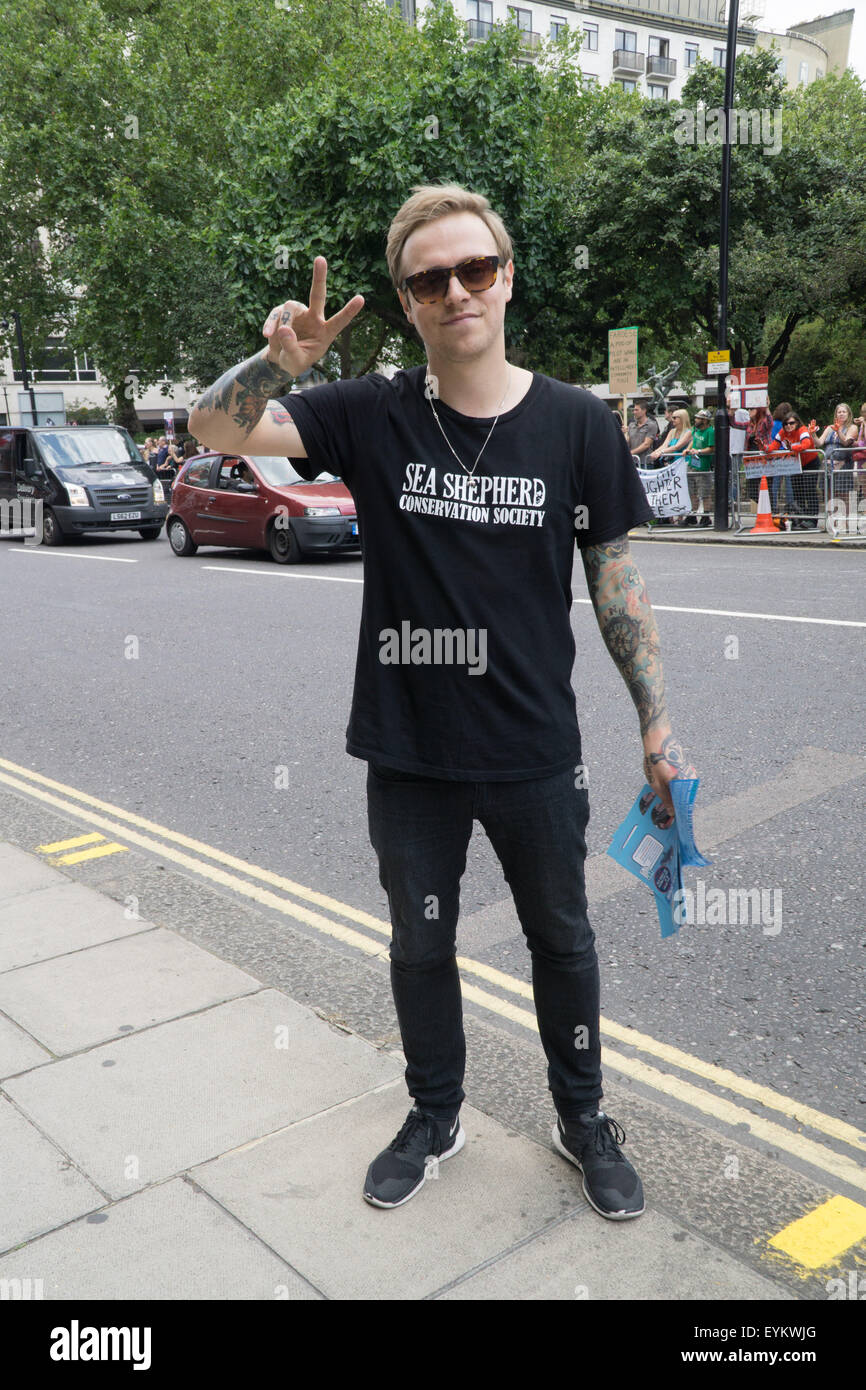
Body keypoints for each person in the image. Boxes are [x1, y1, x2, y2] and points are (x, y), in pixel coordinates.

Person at [188, 182, 698, 1221]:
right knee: (420, 942)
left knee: (563, 941)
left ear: (505, 279)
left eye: (473, 269)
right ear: (408, 300)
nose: (455, 290)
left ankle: (581, 1114)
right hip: (409, 749)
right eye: (430, 278)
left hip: (532, 750)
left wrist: (655, 723)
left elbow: (615, 584)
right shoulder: (368, 412)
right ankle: (435, 1112)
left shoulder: (571, 422)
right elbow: (211, 424)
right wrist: (275, 367)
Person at [766, 409, 819, 527]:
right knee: (797, 491)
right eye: (786, 423)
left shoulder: (803, 430)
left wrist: (792, 447)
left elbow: (806, 444)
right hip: (796, 463)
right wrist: (765, 448)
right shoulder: (782, 432)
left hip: (810, 462)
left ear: (797, 423)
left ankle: (813, 519)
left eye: (792, 423)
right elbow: (774, 445)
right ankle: (801, 517)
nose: (788, 426)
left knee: (809, 490)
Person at [818, 404, 858, 502]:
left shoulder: (852, 427)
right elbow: (819, 443)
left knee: (843, 493)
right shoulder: (829, 428)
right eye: (839, 412)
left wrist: (839, 431)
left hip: (843, 463)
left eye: (844, 412)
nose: (841, 414)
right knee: (828, 492)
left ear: (848, 414)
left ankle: (845, 517)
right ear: (836, 414)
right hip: (827, 464)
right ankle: (831, 516)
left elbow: (846, 442)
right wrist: (812, 434)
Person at [685, 408, 714, 527]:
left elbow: (712, 448)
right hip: (692, 465)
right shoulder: (696, 430)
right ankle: (692, 516)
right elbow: (693, 440)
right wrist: (688, 448)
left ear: (705, 420)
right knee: (692, 492)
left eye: (698, 418)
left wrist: (699, 451)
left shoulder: (710, 432)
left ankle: (706, 517)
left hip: (703, 467)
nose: (695, 420)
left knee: (704, 492)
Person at [624, 398, 659, 467]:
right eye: (634, 410)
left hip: (645, 463)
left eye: (637, 410)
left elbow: (646, 444)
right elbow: (628, 441)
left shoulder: (651, 425)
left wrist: (630, 453)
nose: (634, 412)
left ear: (644, 411)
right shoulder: (631, 425)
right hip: (632, 462)